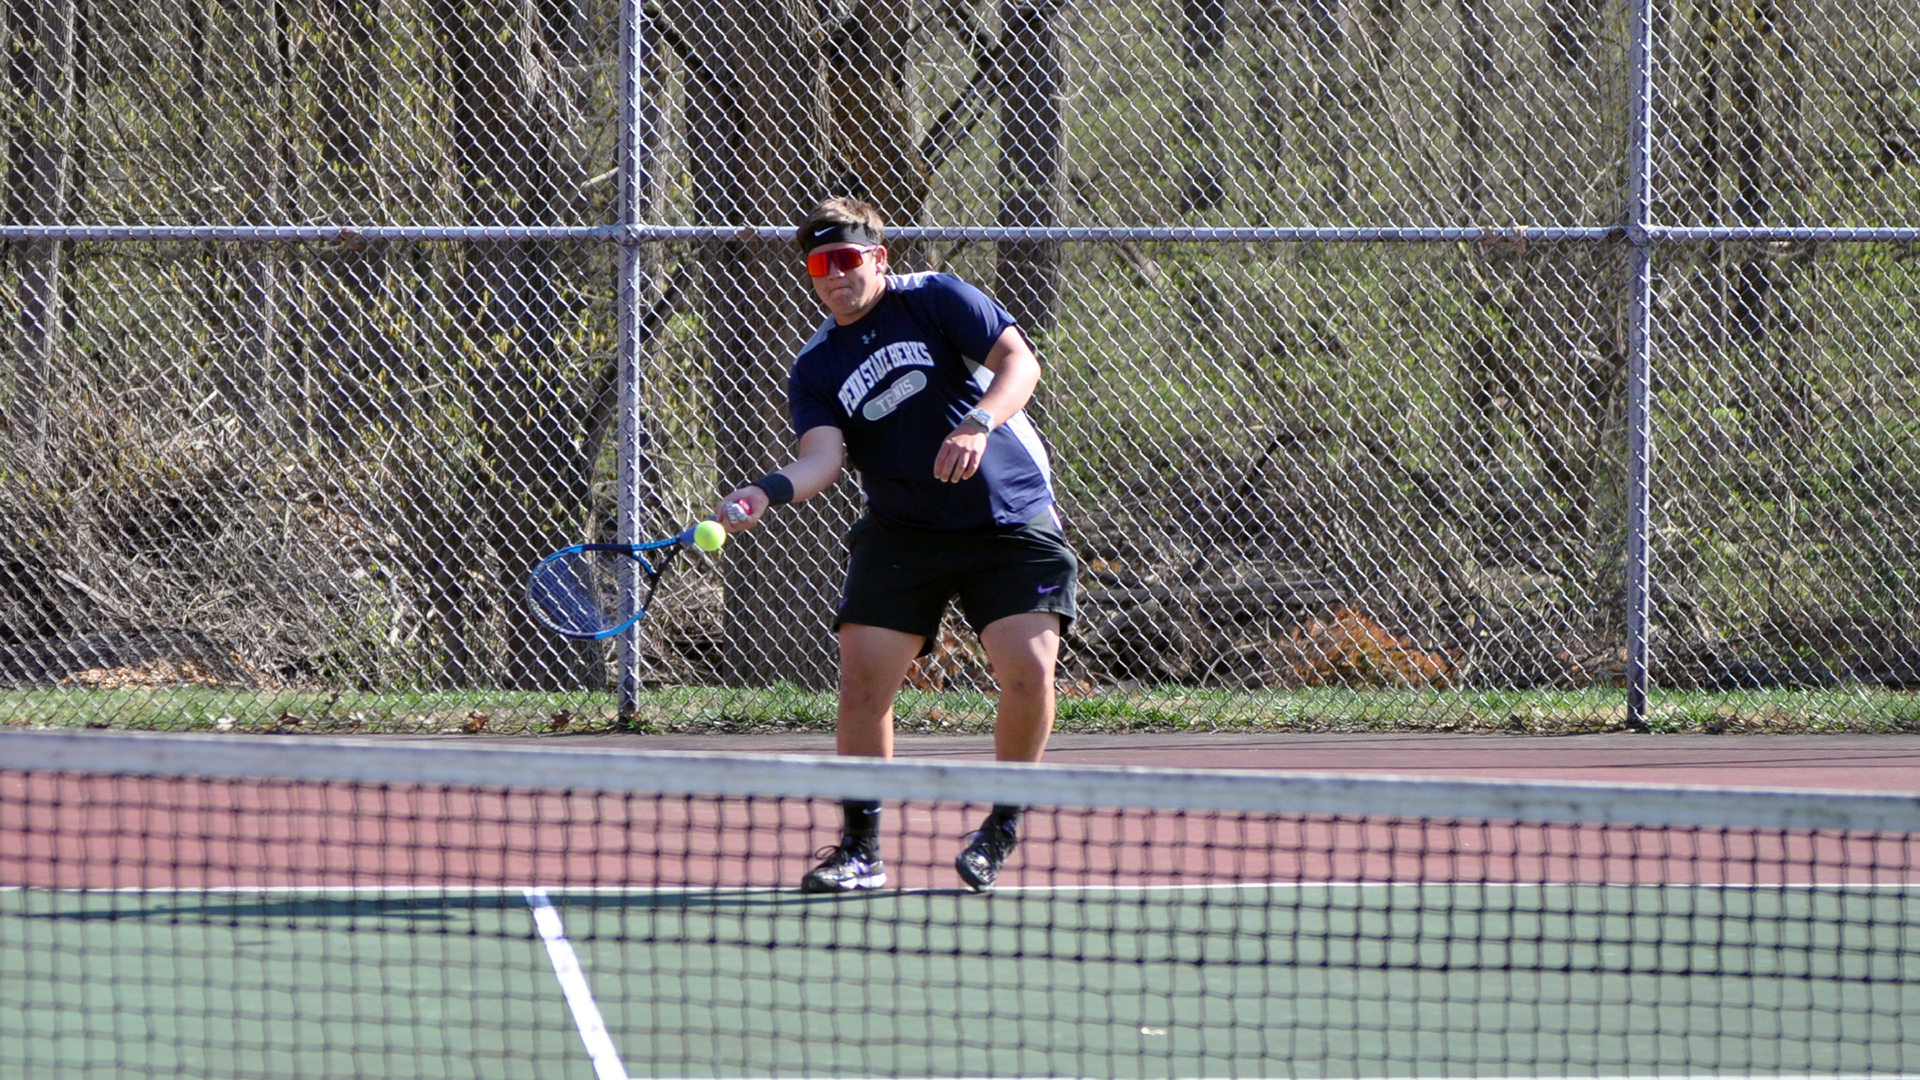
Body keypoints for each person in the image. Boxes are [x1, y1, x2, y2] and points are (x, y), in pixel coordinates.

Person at [715, 196, 1076, 894]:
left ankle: (1001, 823)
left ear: (878, 259)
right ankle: (861, 848)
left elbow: (1020, 365)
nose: (834, 276)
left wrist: (977, 424)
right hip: (903, 532)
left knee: (1028, 672)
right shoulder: (817, 364)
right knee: (861, 683)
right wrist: (765, 492)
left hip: (1012, 520)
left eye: (848, 260)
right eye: (820, 265)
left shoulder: (935, 297)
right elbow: (821, 456)